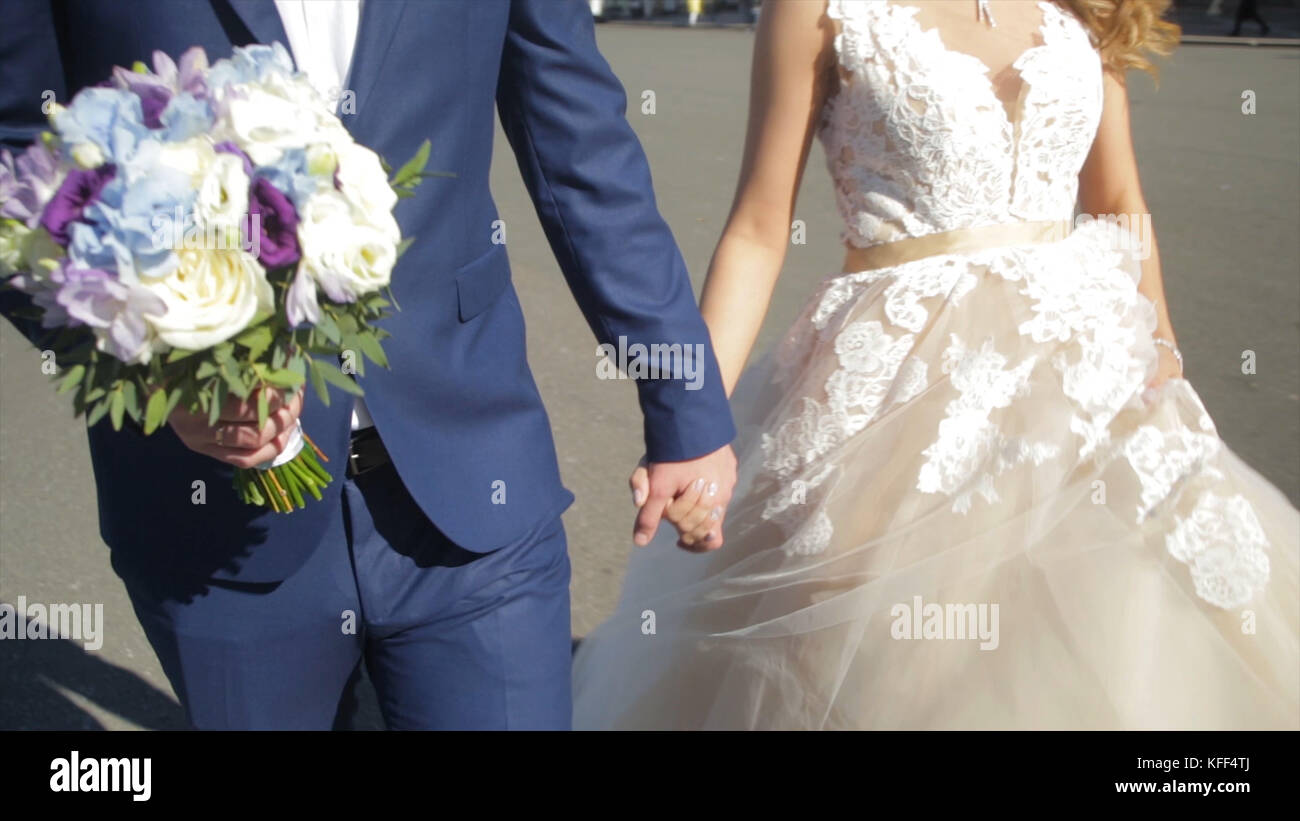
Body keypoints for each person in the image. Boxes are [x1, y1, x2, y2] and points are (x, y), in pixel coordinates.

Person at [0, 0, 738, 730]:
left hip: (473, 470)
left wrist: (686, 405)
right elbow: (17, 152)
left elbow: (580, 144)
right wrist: (153, 366)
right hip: (212, 513)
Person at [573, 0, 1300, 730]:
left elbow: (1117, 200)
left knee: (1126, 629)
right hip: (900, 390)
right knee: (876, 658)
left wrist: (1163, 351)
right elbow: (760, 230)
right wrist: (694, 421)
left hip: (1091, 374)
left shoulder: (1089, 6)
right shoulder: (815, 9)